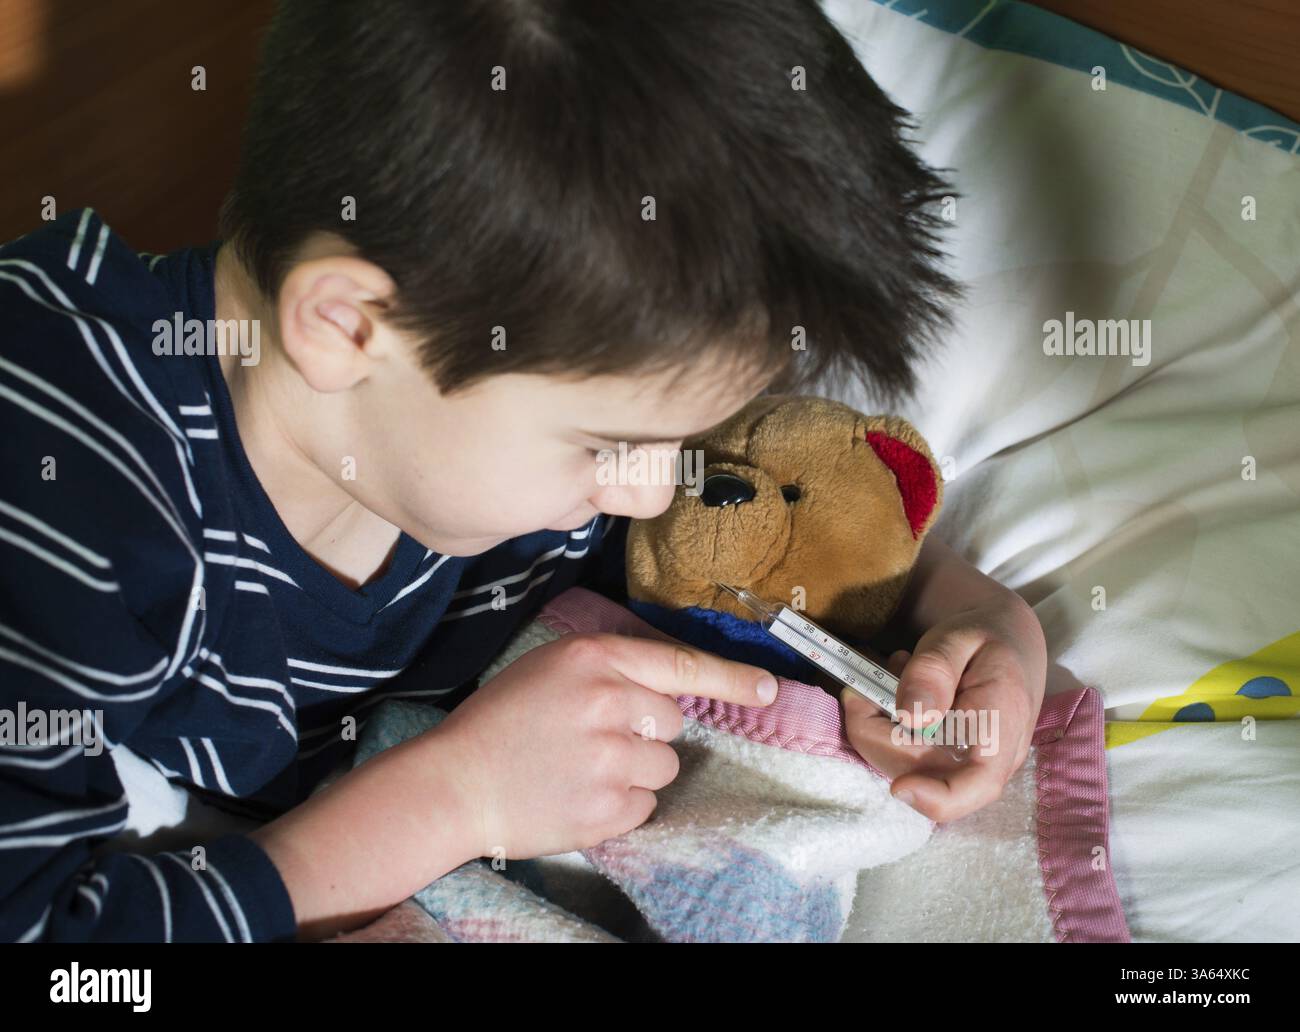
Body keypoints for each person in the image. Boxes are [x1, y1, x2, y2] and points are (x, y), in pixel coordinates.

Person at [0, 0, 1045, 942]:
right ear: (347, 327)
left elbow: (764, 504)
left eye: (680, 438)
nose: (649, 493)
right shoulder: (64, 492)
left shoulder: (490, 383)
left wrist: (972, 620)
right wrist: (457, 798)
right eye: (603, 449)